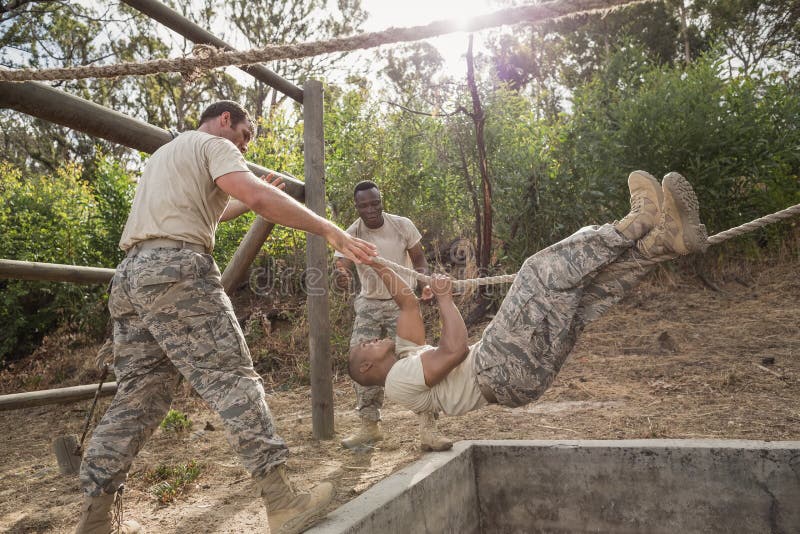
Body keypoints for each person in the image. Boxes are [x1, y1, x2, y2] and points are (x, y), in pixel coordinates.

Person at [75, 101, 376, 534]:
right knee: (234, 381)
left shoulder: (168, 154)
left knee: (139, 398)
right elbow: (255, 194)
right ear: (224, 120)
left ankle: (95, 518)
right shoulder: (215, 143)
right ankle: (282, 500)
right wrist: (331, 230)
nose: (244, 143)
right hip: (178, 271)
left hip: (131, 278)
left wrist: (250, 198)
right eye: (245, 134)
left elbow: (214, 207)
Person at [348, 171, 708, 418]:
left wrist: (376, 261)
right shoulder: (397, 382)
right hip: (497, 368)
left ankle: (664, 243)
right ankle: (635, 225)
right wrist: (444, 300)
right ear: (367, 366)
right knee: (538, 271)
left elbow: (407, 302)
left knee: (577, 297)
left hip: (518, 380)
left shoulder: (407, 356)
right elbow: (455, 350)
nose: (373, 339)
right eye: (367, 346)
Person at [333, 181, 452, 452]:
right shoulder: (351, 233)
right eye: (364, 205)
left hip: (402, 303)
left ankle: (429, 430)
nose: (371, 209)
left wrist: (424, 282)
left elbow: (419, 259)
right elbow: (342, 263)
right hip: (369, 304)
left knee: (420, 361)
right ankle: (369, 426)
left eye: (375, 203)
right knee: (362, 362)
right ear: (357, 207)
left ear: (381, 200)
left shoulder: (402, 225)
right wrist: (340, 273)